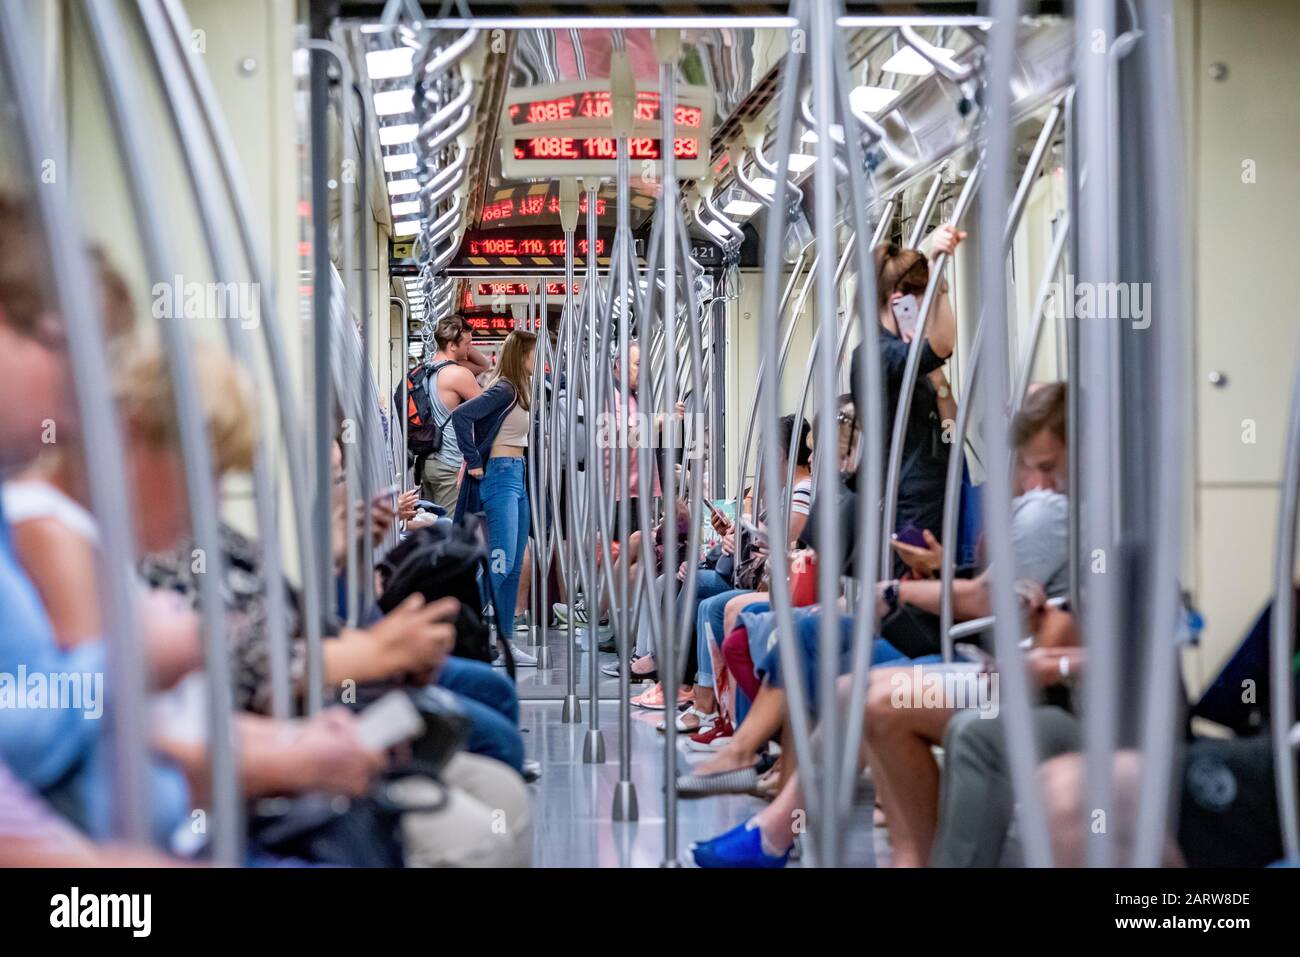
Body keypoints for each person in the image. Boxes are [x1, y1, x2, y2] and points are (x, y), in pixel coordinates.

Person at [852, 225, 965, 575]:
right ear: (898, 300)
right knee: (913, 590)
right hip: (908, 495)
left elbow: (951, 425)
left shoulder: (903, 357)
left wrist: (936, 378)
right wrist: (940, 284)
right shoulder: (878, 354)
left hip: (931, 486)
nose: (929, 308)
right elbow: (944, 343)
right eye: (924, 299)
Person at [451, 329, 538, 667]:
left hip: (516, 473)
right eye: (534, 354)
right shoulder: (503, 389)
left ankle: (505, 641)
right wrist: (473, 461)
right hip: (500, 475)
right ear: (522, 356)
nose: (538, 360)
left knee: (514, 564)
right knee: (500, 563)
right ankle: (462, 625)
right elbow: (462, 416)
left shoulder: (518, 390)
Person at [419, 315, 486, 519]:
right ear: (451, 344)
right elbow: (486, 410)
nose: (470, 348)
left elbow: (482, 366)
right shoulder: (458, 374)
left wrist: (464, 340)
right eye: (467, 344)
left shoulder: (426, 369)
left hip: (428, 461)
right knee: (450, 527)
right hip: (450, 463)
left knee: (432, 524)